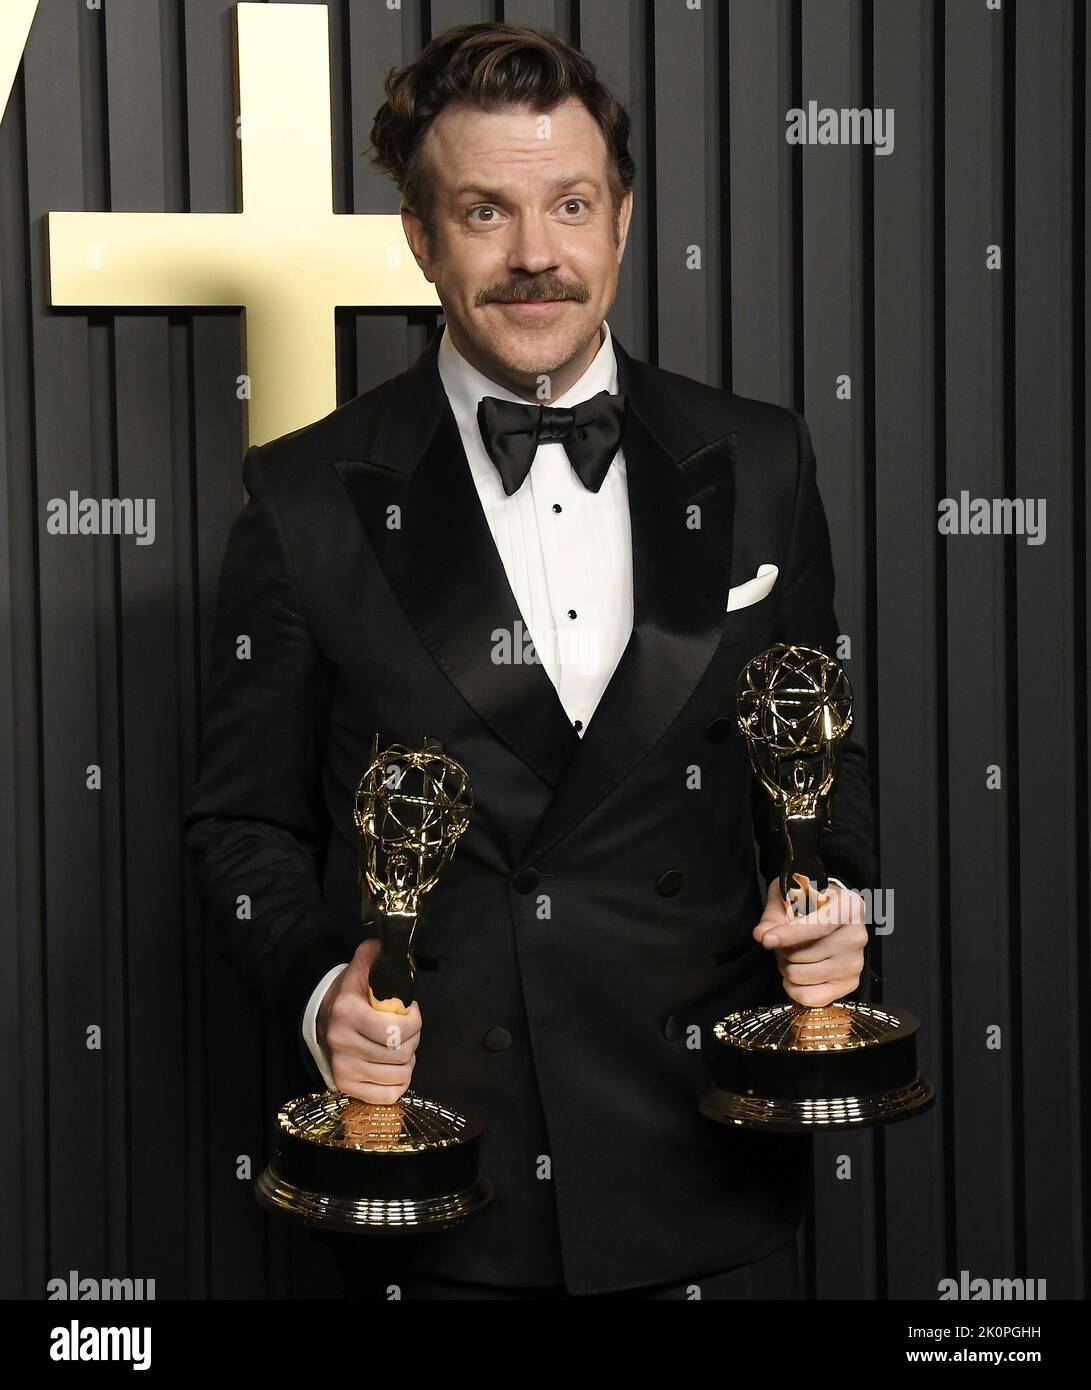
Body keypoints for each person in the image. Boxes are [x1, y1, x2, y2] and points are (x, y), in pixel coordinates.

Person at [184, 21, 877, 1301]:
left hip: (706, 1166)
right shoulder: (302, 496)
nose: (535, 257)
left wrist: (832, 905)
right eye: (483, 212)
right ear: (421, 238)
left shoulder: (762, 456)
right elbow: (242, 823)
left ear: (621, 219)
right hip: (439, 1179)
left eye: (568, 204)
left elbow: (819, 749)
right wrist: (320, 991)